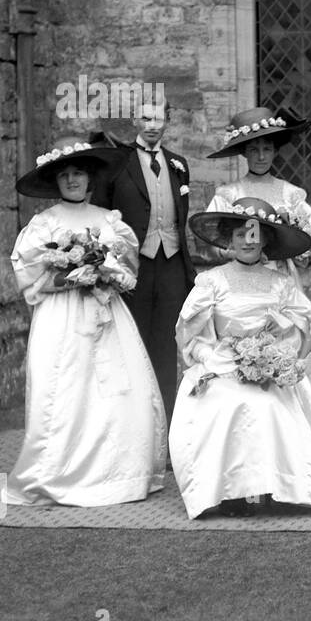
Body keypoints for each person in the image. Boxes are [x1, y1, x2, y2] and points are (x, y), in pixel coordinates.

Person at [7, 135, 166, 506]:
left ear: (91, 179)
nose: (73, 180)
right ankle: (56, 471)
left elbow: (128, 272)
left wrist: (103, 272)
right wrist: (66, 274)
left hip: (105, 311)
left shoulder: (108, 222)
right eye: (65, 175)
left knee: (116, 389)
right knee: (62, 387)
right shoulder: (44, 224)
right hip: (61, 316)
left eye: (79, 173)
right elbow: (29, 273)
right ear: (56, 181)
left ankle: (117, 474)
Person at [171, 198, 311, 519]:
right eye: (240, 235)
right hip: (223, 366)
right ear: (230, 240)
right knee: (230, 402)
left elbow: (302, 327)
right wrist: (216, 359)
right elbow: (192, 335)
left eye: (255, 234)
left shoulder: (281, 283)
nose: (247, 241)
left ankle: (274, 488)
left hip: (270, 365)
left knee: (269, 403)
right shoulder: (212, 282)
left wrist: (280, 339)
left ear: (264, 239)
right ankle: (231, 491)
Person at [92, 102, 196, 424]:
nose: (152, 125)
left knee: (166, 350)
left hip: (171, 266)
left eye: (158, 118)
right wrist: (109, 268)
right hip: (133, 269)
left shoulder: (179, 165)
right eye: (145, 117)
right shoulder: (117, 164)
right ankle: (133, 428)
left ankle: (164, 433)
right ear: (136, 120)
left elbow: (179, 220)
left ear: (168, 120)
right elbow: (100, 220)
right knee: (131, 348)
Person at [205, 107, 311, 392]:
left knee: (286, 346)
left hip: (280, 282)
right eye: (253, 149)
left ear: (275, 151)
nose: (260, 156)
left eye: (266, 148)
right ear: (244, 152)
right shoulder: (228, 195)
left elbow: (308, 242)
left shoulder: (291, 195)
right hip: (240, 284)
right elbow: (211, 245)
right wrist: (240, 252)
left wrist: (298, 247)